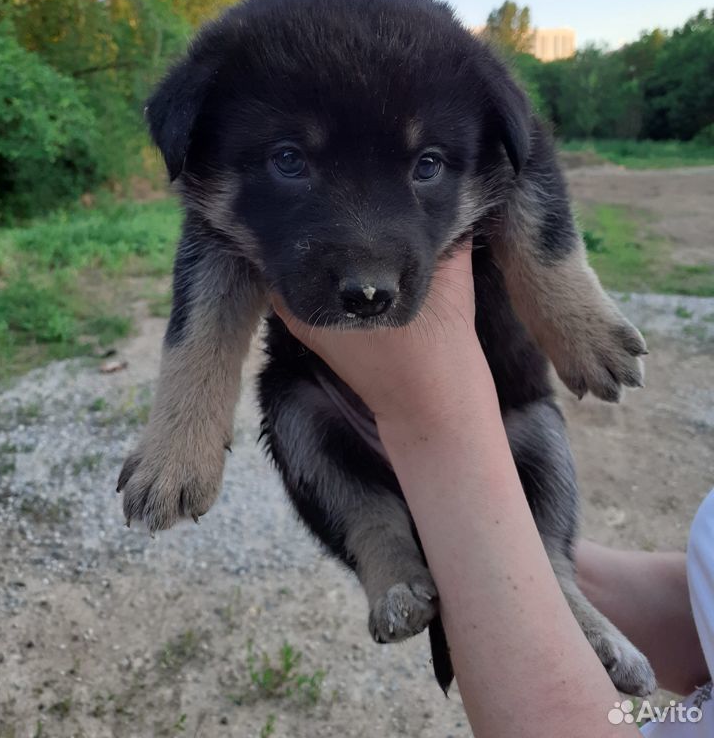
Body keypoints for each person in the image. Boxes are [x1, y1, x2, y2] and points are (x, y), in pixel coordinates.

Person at [272, 244, 712, 737]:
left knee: (537, 423)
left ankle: (557, 582)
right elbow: (703, 597)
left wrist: (429, 419)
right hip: (323, 395)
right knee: (293, 413)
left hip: (503, 399)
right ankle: (385, 556)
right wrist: (479, 555)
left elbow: (528, 183)